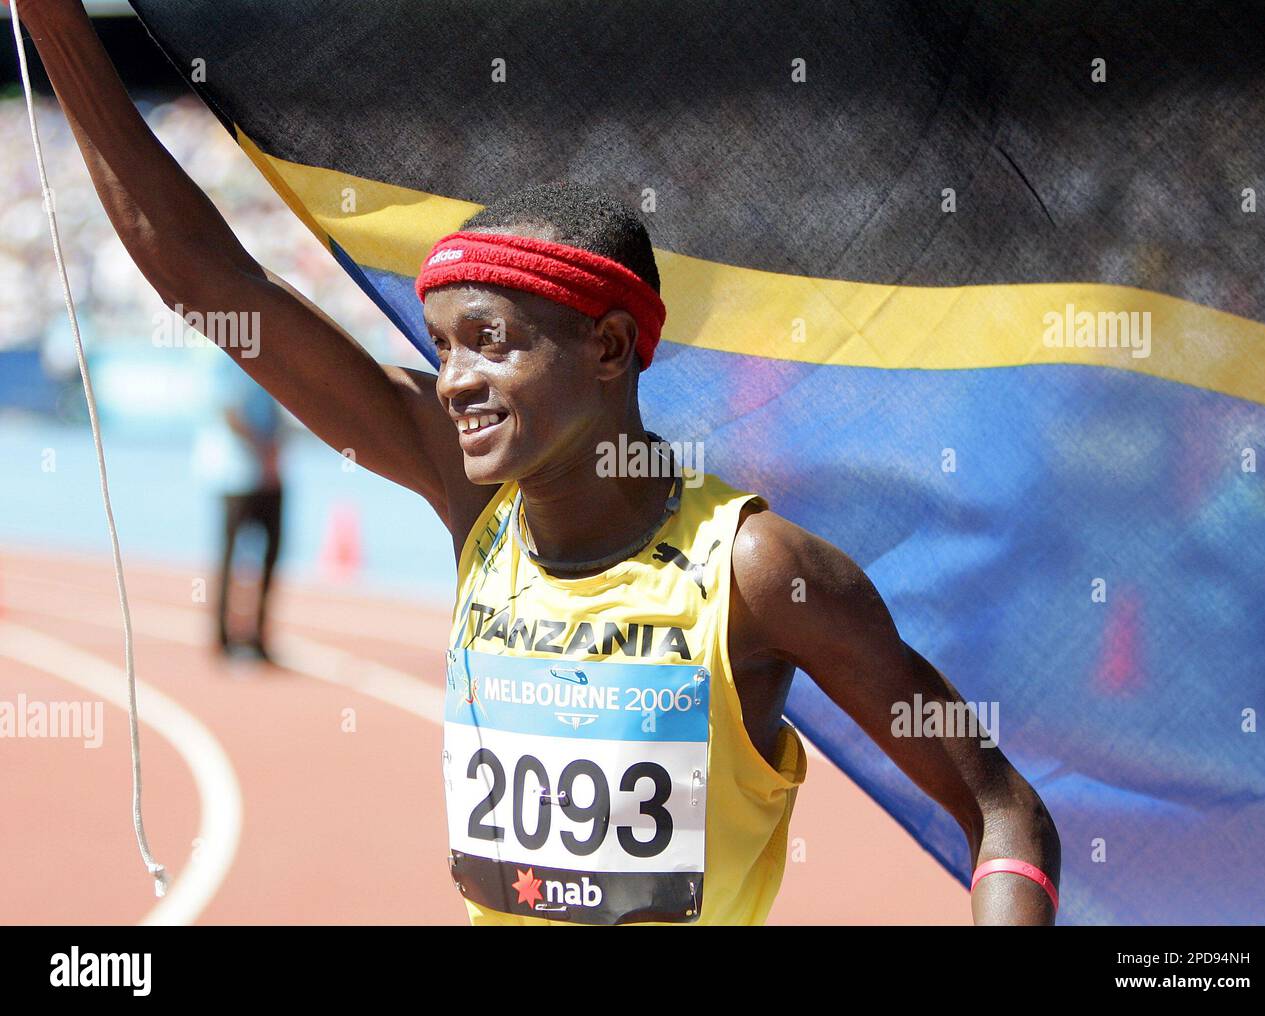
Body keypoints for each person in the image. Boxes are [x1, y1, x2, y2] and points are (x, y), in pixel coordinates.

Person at [16, 0, 1060, 925]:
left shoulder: (756, 571)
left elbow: (1001, 807)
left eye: (491, 342)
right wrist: (57, 23)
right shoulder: (471, 496)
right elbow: (205, 279)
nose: (456, 379)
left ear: (608, 348)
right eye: (441, 348)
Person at [193, 353, 285, 662]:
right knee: (230, 558)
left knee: (270, 556)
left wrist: (275, 450)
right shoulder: (223, 359)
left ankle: (258, 636)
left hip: (269, 475)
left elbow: (276, 412)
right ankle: (222, 637)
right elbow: (230, 412)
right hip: (234, 474)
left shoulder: (269, 356)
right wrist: (264, 450)